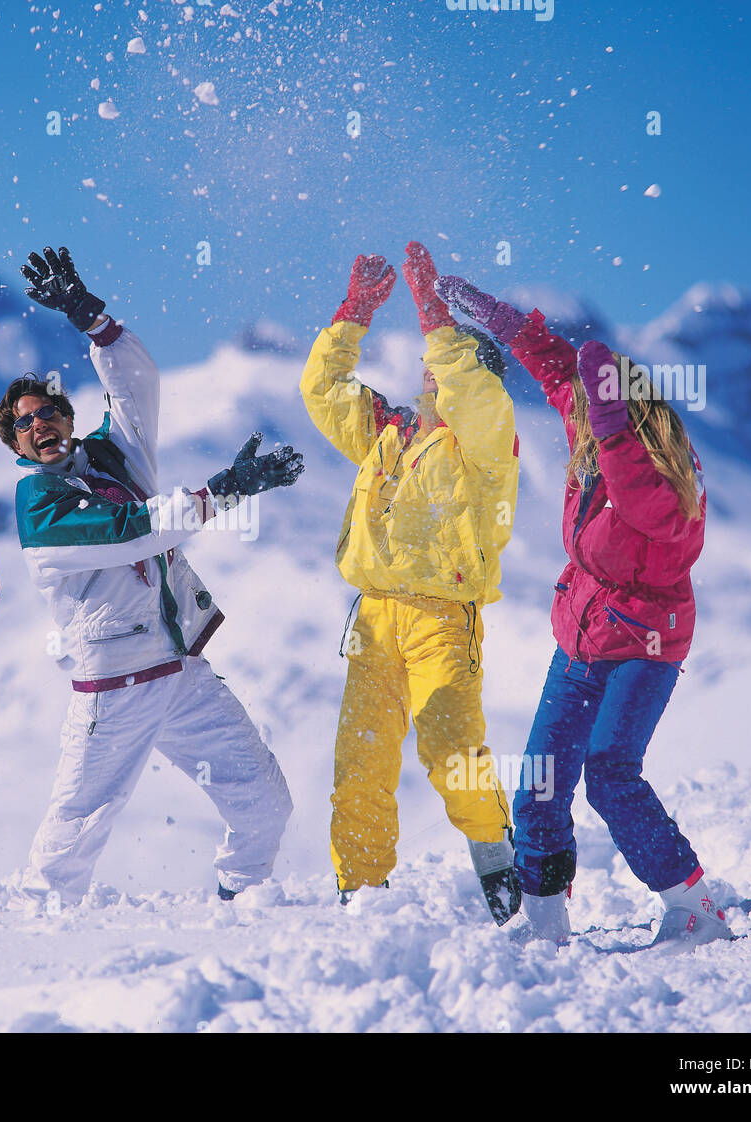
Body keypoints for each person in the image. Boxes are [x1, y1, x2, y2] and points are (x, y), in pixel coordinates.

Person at [435, 274, 731, 946]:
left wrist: (609, 429)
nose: (583, 442)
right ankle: (545, 924)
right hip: (582, 637)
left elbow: (631, 490)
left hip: (645, 646)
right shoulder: (595, 434)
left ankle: (694, 908)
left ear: (631, 420)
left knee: (610, 773)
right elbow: (554, 364)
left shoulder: (666, 480)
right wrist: (502, 320)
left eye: (600, 427)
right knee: (540, 781)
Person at [0, 245, 297, 906]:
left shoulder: (111, 460)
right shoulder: (39, 506)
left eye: (48, 413)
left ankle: (244, 911)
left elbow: (135, 386)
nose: (39, 425)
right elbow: (133, 529)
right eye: (23, 424)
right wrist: (225, 490)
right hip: (111, 689)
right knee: (70, 842)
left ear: (68, 421)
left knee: (264, 804)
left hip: (178, 671)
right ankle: (30, 957)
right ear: (15, 445)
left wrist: (88, 315)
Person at [300, 241, 521, 922]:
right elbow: (321, 391)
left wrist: (435, 315)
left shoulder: (486, 446)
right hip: (373, 621)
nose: (430, 371)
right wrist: (354, 314)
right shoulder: (387, 432)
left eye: (444, 366)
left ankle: (501, 866)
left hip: (441, 623)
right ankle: (360, 895)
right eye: (429, 363)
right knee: (359, 768)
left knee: (453, 752)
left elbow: (474, 395)